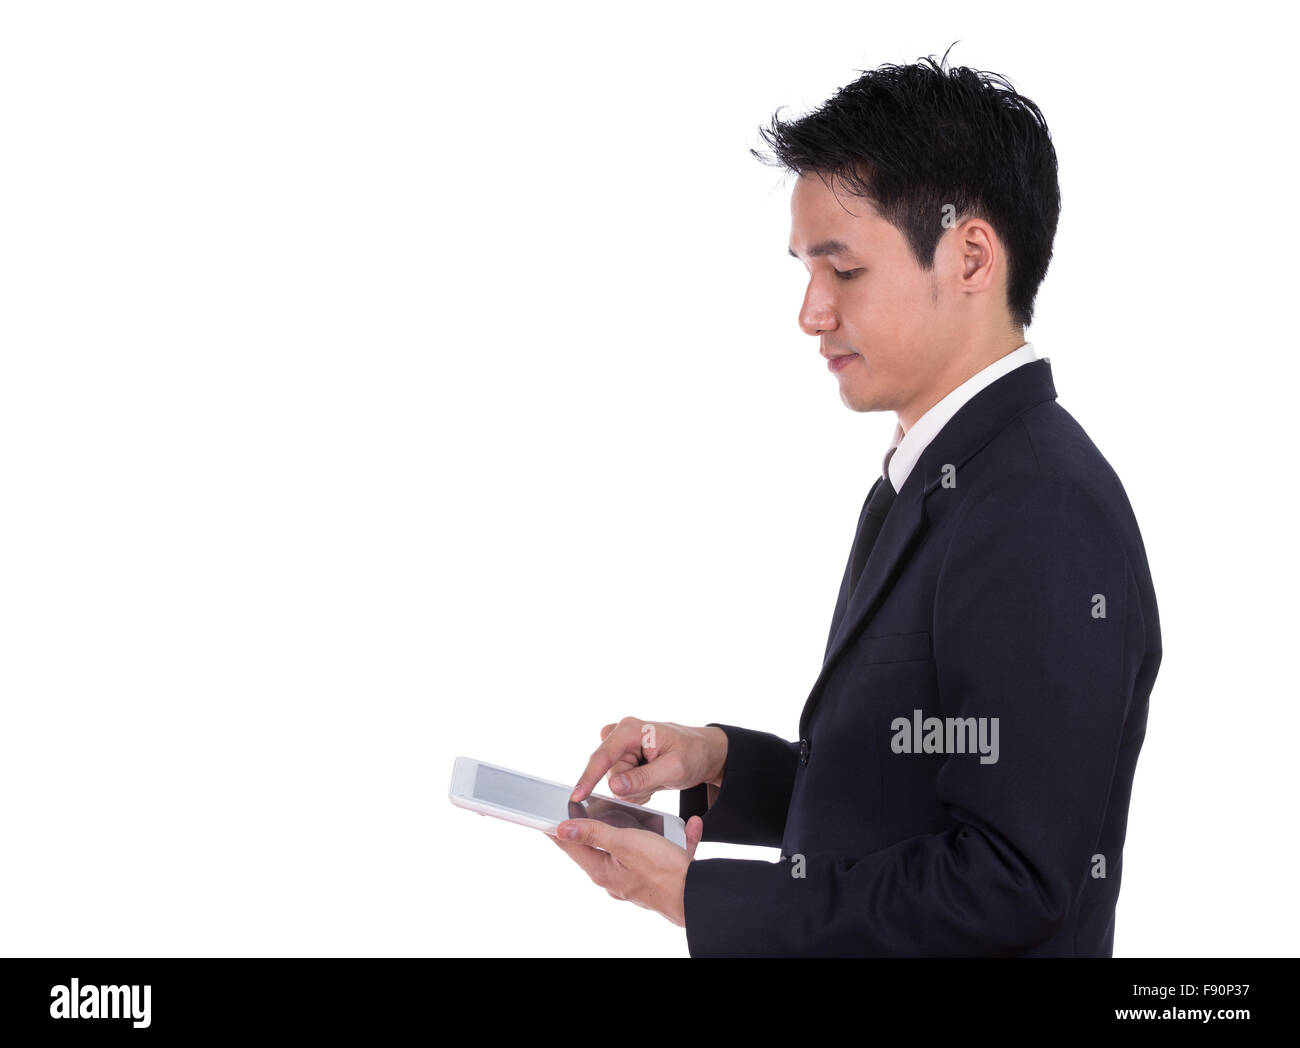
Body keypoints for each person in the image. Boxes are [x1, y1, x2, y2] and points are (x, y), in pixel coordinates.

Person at [549, 49, 1162, 957]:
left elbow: (1013, 883)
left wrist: (710, 901)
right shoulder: (942, 477)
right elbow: (912, 787)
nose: (809, 311)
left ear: (970, 256)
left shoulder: (1040, 511)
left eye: (843, 271)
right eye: (805, 269)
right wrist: (723, 765)